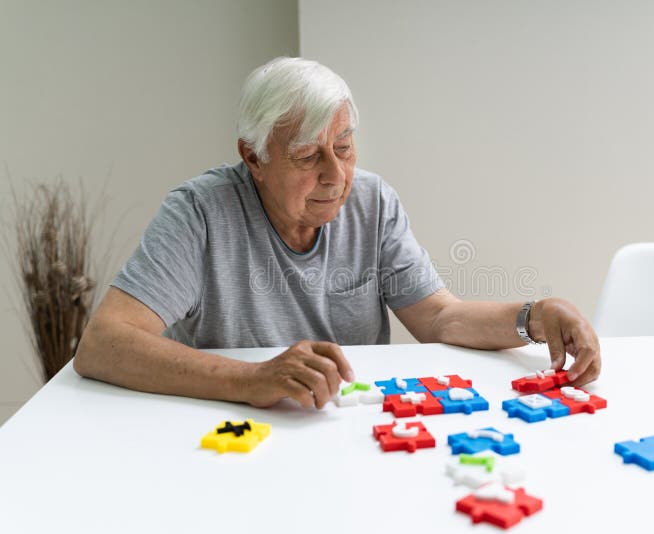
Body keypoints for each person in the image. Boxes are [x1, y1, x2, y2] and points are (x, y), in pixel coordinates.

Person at [73, 57, 601, 409]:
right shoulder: (199, 211)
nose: (335, 174)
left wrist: (532, 317)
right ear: (253, 157)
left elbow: (439, 316)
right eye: (308, 156)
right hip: (229, 432)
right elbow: (102, 344)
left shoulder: (372, 201)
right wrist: (250, 380)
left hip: (346, 425)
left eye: (344, 147)